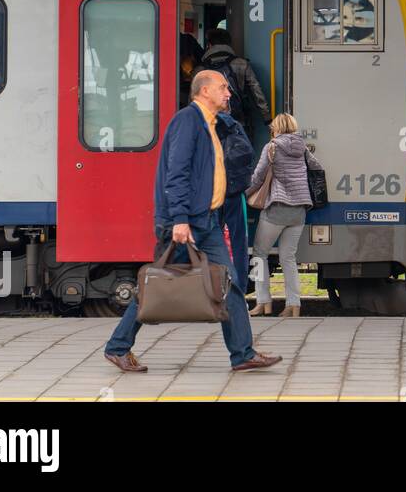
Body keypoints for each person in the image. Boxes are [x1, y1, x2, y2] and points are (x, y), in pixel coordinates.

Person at [104, 70, 281, 373]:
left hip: (206, 221)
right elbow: (177, 173)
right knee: (157, 283)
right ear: (204, 91)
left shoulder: (210, 125)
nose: (229, 93)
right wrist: (180, 219)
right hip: (185, 222)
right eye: (223, 88)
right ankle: (118, 347)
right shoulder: (188, 121)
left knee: (230, 283)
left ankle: (242, 353)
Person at [246, 113, 323, 318]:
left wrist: (243, 195)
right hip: (299, 210)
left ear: (276, 128)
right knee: (288, 258)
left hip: (278, 208)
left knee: (259, 254)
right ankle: (293, 305)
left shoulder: (272, 146)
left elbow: (258, 176)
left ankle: (263, 302)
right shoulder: (302, 147)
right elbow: (317, 168)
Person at [216, 107, 257, 295]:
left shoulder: (202, 126)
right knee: (239, 242)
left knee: (211, 241)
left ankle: (211, 288)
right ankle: (239, 290)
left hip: (211, 194)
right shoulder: (235, 127)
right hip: (234, 192)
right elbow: (249, 156)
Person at [202, 27, 270, 134]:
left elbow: (194, 97)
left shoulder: (201, 69)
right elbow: (257, 91)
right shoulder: (241, 64)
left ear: (209, 45)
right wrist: (267, 118)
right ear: (228, 45)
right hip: (238, 121)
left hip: (209, 123)